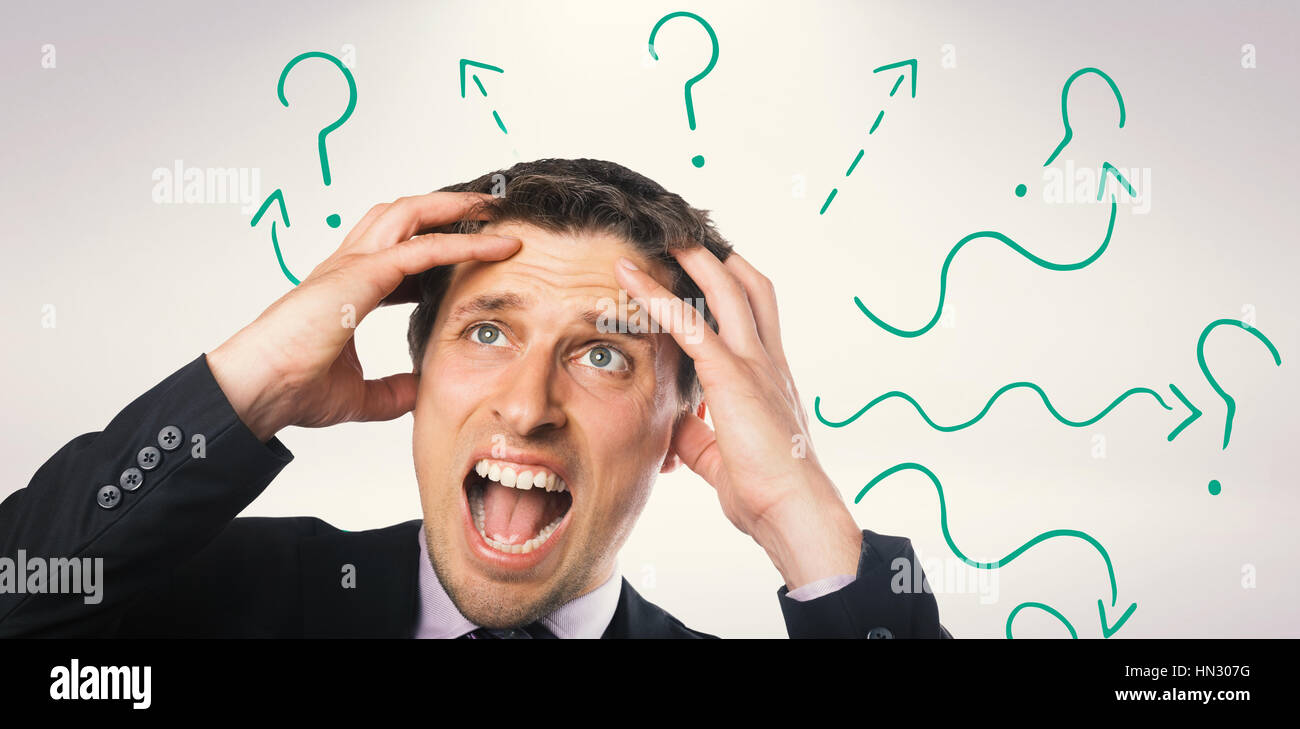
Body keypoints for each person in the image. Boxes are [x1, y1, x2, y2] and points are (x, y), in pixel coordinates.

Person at [0, 158, 950, 638]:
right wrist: (246, 385)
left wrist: (802, 512)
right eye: (488, 333)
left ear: (679, 429)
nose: (526, 405)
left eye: (604, 357)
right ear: (417, 370)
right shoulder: (216, 594)